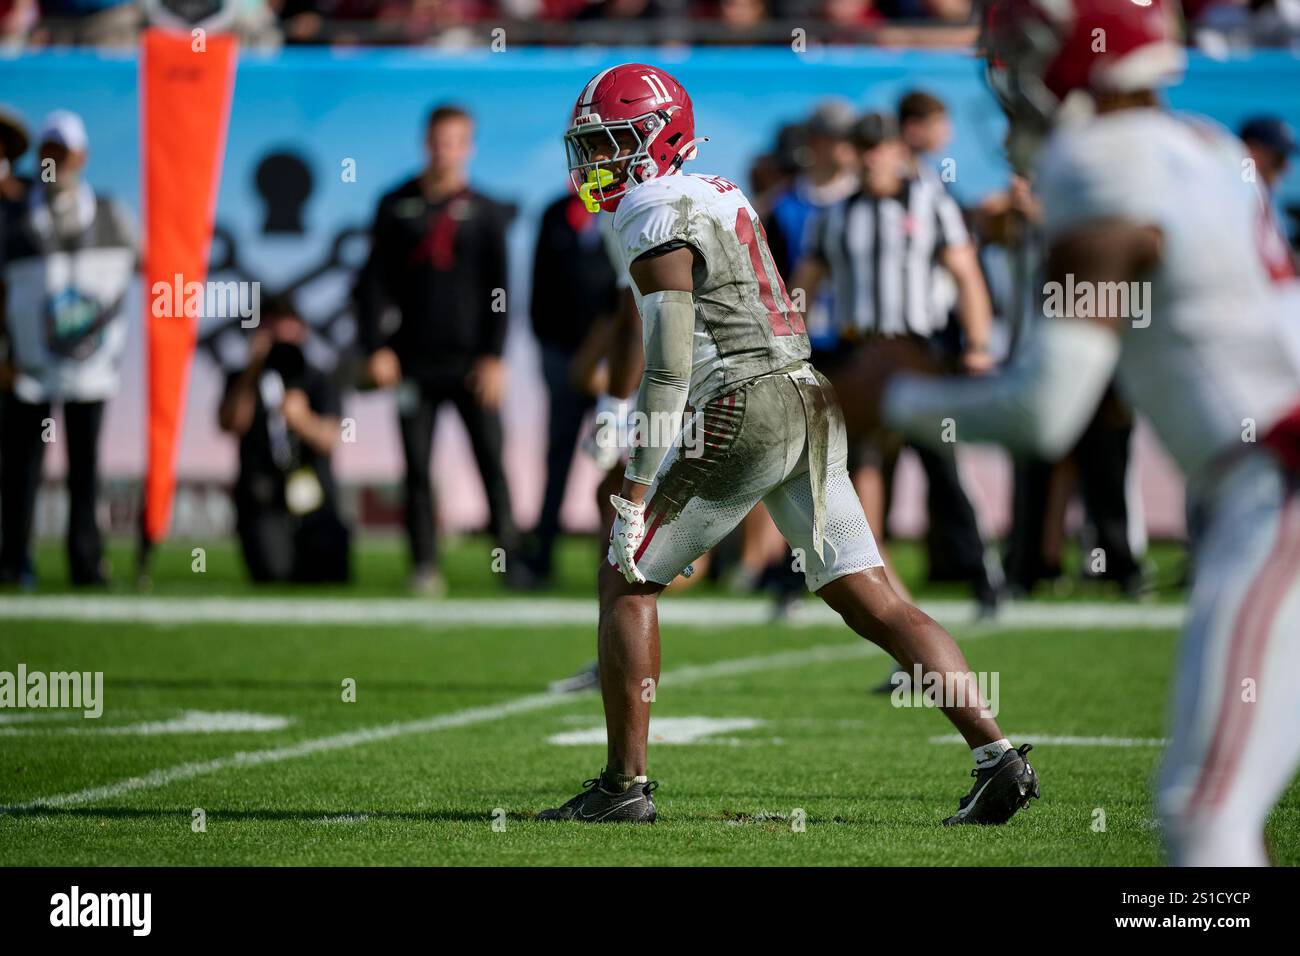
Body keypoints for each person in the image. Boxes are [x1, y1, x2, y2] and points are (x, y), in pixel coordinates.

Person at [538, 63, 1039, 825]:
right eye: (593, 145)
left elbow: (670, 367)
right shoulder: (720, 190)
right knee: (869, 595)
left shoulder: (649, 207)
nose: (598, 162)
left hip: (743, 405)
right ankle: (997, 756)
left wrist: (634, 493)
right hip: (807, 392)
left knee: (624, 574)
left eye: (613, 142)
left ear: (658, 139)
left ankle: (623, 788)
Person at [863, 0, 1300, 865]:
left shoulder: (1100, 164)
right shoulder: (1201, 146)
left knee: (1204, 813)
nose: (1008, 72)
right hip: (1258, 485)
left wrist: (895, 397)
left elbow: (1045, 409)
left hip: (1281, 488)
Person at [355, 103, 524, 595]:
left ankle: (510, 565)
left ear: (467, 147)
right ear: (425, 142)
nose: (444, 150)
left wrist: (495, 357)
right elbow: (371, 284)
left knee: (492, 462)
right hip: (411, 363)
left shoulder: (487, 211)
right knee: (416, 468)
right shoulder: (394, 205)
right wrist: (376, 348)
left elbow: (501, 290)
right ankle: (424, 565)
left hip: (472, 365)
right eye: (437, 140)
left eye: (455, 141)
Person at [0, 111, 136, 588]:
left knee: (85, 470)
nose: (55, 160)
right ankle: (14, 561)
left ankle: (86, 562)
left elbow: (148, 263)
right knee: (20, 470)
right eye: (48, 151)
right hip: (28, 368)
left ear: (82, 156)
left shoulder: (109, 212)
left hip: (89, 368)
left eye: (64, 151)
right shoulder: (14, 216)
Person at [218, 296, 350, 584]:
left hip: (314, 495)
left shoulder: (319, 379)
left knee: (329, 577)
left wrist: (301, 419)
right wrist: (253, 369)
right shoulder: (243, 377)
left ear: (302, 331)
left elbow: (331, 439)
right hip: (262, 496)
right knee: (275, 573)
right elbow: (230, 423)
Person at [526, 188, 621, 584]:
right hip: (563, 357)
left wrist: (608, 360)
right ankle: (542, 556)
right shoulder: (553, 214)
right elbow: (539, 288)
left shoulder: (624, 209)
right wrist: (553, 353)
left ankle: (619, 555)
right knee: (559, 456)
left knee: (622, 456)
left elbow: (626, 293)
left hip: (618, 358)